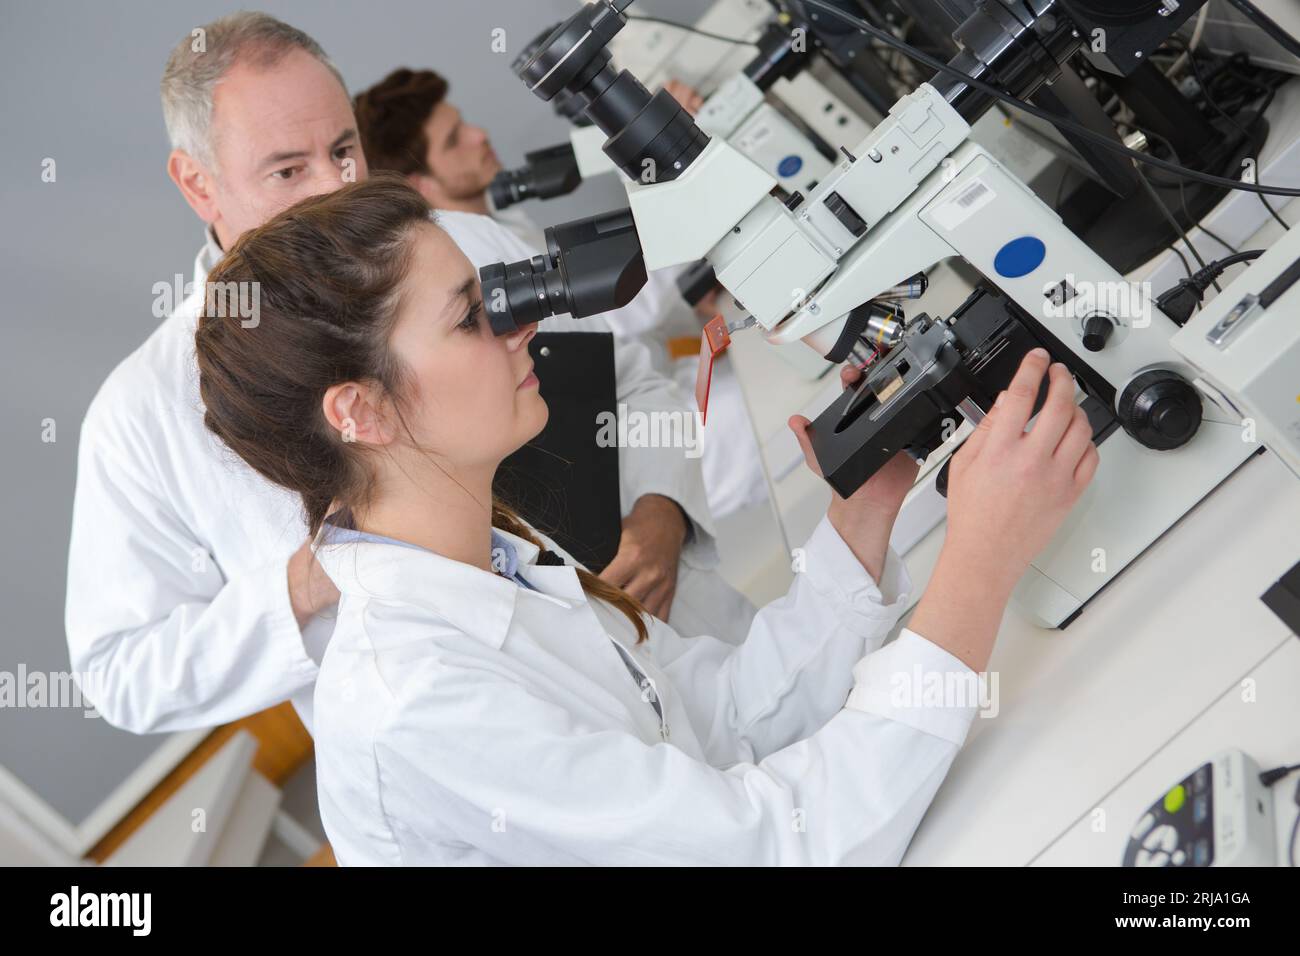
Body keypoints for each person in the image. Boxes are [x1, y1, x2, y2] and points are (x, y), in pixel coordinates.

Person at [196, 175, 1099, 866]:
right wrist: (980, 566)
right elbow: (776, 846)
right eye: (474, 317)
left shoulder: (498, 559)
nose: (525, 329)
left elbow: (726, 724)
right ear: (361, 413)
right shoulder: (417, 699)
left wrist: (859, 524)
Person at [65, 11, 749, 739]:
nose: (335, 188)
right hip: (498, 748)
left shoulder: (462, 245)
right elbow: (121, 672)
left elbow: (632, 384)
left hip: (694, 652)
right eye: (289, 170)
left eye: (344, 149)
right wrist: (310, 580)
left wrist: (663, 512)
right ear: (198, 184)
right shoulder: (143, 413)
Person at [353, 67, 772, 518]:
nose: (478, 135)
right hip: (630, 440)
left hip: (652, 387)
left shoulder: (497, 225)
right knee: (768, 410)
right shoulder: (473, 255)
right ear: (421, 186)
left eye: (464, 122)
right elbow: (618, 320)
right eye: (455, 139)